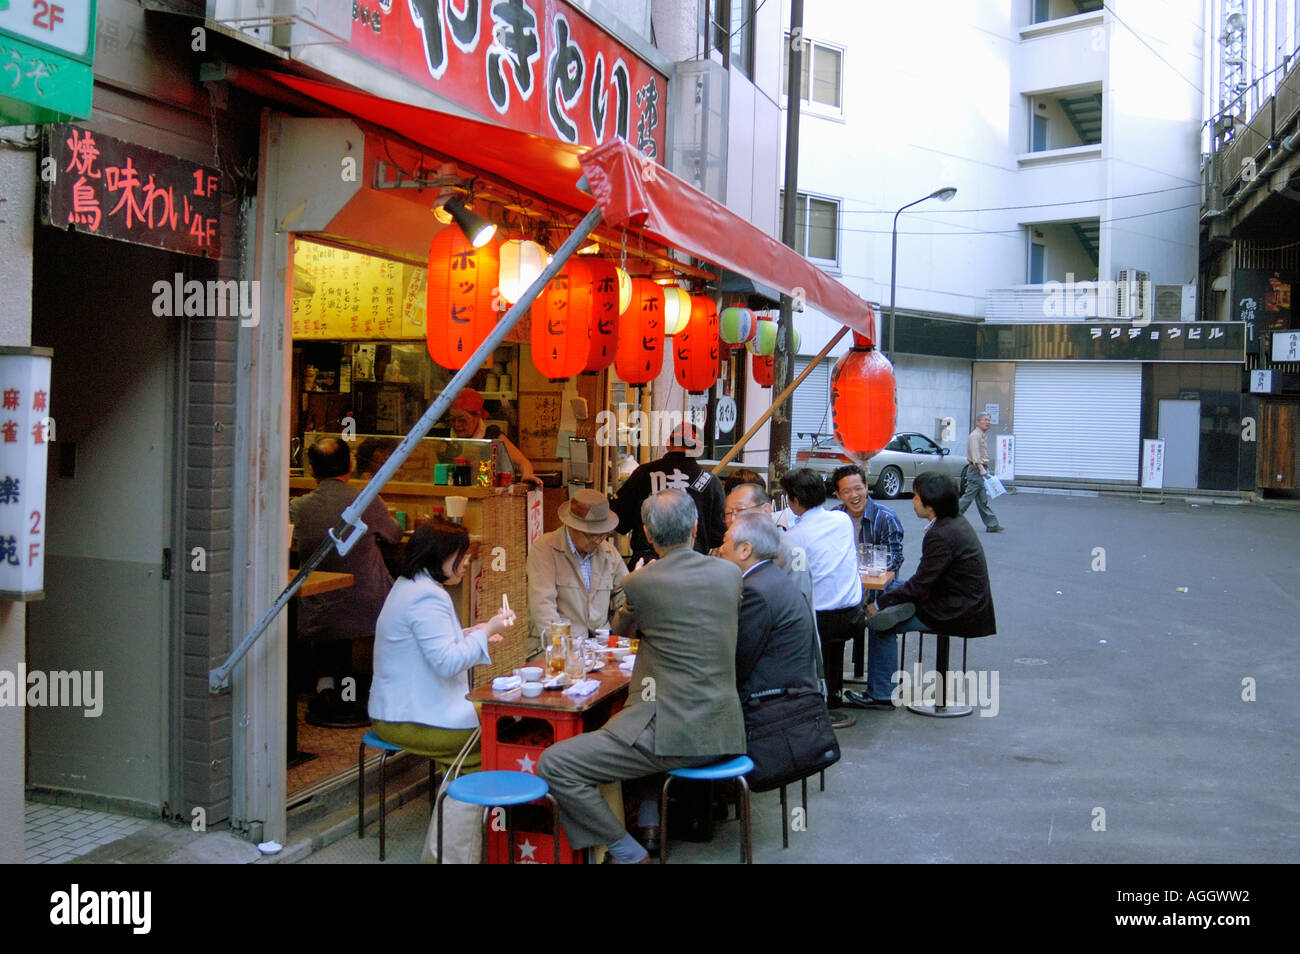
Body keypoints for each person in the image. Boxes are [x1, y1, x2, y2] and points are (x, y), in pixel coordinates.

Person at [538, 489, 745, 864]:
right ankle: (647, 822)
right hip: (725, 729)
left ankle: (626, 851)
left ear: (647, 535)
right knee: (625, 723)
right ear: (697, 527)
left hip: (672, 734)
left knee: (557, 763)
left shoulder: (642, 583)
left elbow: (621, 631)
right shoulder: (731, 575)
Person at [368, 520, 515, 762]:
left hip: (397, 713)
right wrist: (487, 631)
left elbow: (425, 644)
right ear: (439, 556)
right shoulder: (426, 596)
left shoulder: (409, 585)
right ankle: (464, 796)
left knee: (501, 721)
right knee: (504, 729)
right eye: (461, 555)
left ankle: (456, 794)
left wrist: (472, 632)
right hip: (413, 719)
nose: (466, 562)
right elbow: (447, 663)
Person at [857, 471, 997, 709]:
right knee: (890, 589)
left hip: (954, 608)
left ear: (930, 505)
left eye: (916, 497)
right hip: (953, 595)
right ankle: (893, 606)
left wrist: (880, 605)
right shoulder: (954, 522)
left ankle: (881, 694)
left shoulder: (941, 535)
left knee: (880, 623)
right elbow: (924, 581)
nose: (912, 501)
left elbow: (921, 583)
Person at [290, 438, 403, 725]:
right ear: (350, 466)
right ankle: (351, 695)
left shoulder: (298, 507)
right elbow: (395, 535)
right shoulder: (366, 500)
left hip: (318, 607)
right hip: (367, 605)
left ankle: (327, 688)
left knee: (330, 623)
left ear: (312, 469)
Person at [780, 468, 863, 730]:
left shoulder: (794, 537)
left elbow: (789, 578)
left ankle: (813, 697)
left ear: (793, 500)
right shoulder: (842, 520)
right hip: (853, 613)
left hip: (820, 621)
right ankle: (834, 696)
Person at [718, 514, 819, 702]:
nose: (720, 550)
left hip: (770, 706)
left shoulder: (755, 592)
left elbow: (737, 661)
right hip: (788, 697)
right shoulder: (772, 578)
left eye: (725, 542)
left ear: (745, 550)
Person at [831, 463, 905, 707]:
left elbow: (894, 564)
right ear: (838, 495)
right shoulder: (834, 517)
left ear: (867, 487)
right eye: (847, 491)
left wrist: (875, 600)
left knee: (881, 618)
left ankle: (882, 693)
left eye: (858, 488)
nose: (854, 495)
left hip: (879, 589)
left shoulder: (885, 517)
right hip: (845, 589)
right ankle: (827, 688)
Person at [611, 423, 726, 565]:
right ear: (699, 449)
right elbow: (718, 536)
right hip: (693, 566)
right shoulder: (709, 481)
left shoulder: (643, 473)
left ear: (668, 444)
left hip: (646, 564)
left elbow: (619, 522)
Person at [527, 489, 629, 641]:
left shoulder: (608, 552)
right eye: (590, 534)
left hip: (599, 643)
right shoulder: (545, 549)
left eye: (602, 534)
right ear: (572, 526)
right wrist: (563, 647)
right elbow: (543, 606)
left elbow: (626, 592)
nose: (597, 540)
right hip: (559, 643)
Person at [445, 389, 539, 486]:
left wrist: (527, 475)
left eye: (462, 420)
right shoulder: (446, 439)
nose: (456, 425)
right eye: (452, 420)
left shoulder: (492, 436)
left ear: (477, 416)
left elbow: (522, 462)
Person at [958, 412, 1004, 533]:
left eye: (989, 420)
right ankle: (948, 518)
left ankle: (992, 524)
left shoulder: (981, 435)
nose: (988, 422)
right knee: (967, 498)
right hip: (976, 470)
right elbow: (975, 454)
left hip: (979, 469)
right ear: (978, 422)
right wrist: (981, 468)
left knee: (982, 500)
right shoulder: (975, 436)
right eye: (985, 420)